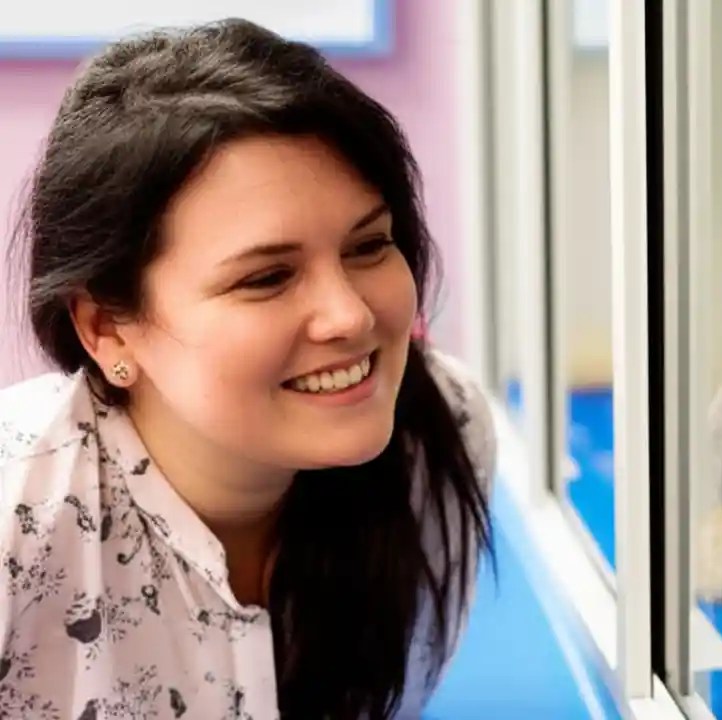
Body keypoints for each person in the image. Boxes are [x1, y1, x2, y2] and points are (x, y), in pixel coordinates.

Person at [0, 19, 493, 719]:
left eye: (369, 246)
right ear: (106, 326)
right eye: (266, 278)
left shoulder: (441, 431)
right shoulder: (17, 514)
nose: (349, 316)